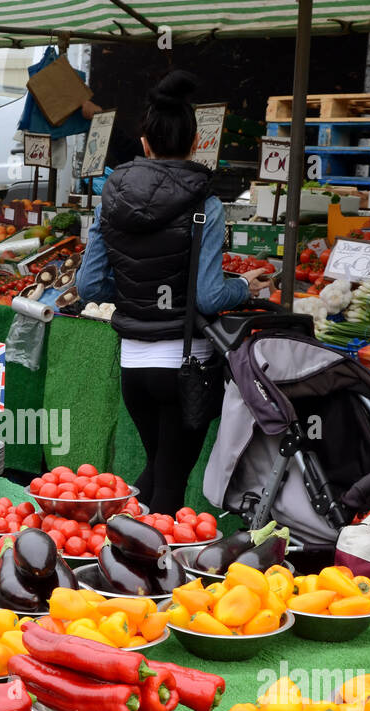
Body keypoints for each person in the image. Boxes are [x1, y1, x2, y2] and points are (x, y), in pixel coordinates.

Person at [77, 71, 271, 516]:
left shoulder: (111, 198)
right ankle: (149, 574)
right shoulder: (207, 203)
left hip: (132, 365)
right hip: (187, 365)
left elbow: (89, 286)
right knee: (169, 485)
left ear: (144, 142)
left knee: (161, 471)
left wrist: (132, 288)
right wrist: (244, 286)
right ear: (196, 143)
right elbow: (207, 297)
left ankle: (112, 542)